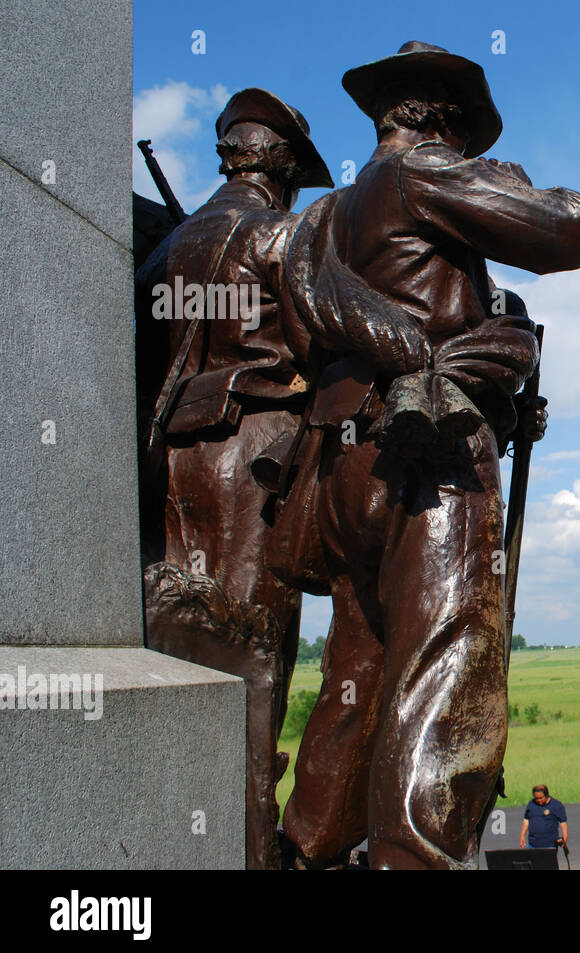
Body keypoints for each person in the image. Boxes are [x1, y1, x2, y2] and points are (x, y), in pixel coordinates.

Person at [280, 41, 580, 870]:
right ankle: (411, 859)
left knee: (358, 671)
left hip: (350, 456)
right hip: (431, 452)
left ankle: (307, 848)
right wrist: (516, 185)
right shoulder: (425, 172)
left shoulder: (332, 215)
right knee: (444, 661)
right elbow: (573, 228)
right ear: (443, 123)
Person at [134, 88, 333, 869]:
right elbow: (329, 342)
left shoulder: (163, 250)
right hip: (255, 456)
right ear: (281, 166)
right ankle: (251, 852)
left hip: (167, 464)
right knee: (254, 664)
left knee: (178, 653)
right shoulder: (284, 234)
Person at [519, 785, 568, 850]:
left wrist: (564, 839)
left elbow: (563, 823)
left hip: (550, 845)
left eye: (541, 798)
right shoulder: (531, 804)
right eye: (536, 798)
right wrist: (522, 835)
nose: (539, 800)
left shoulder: (556, 805)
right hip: (532, 845)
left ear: (547, 795)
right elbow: (526, 820)